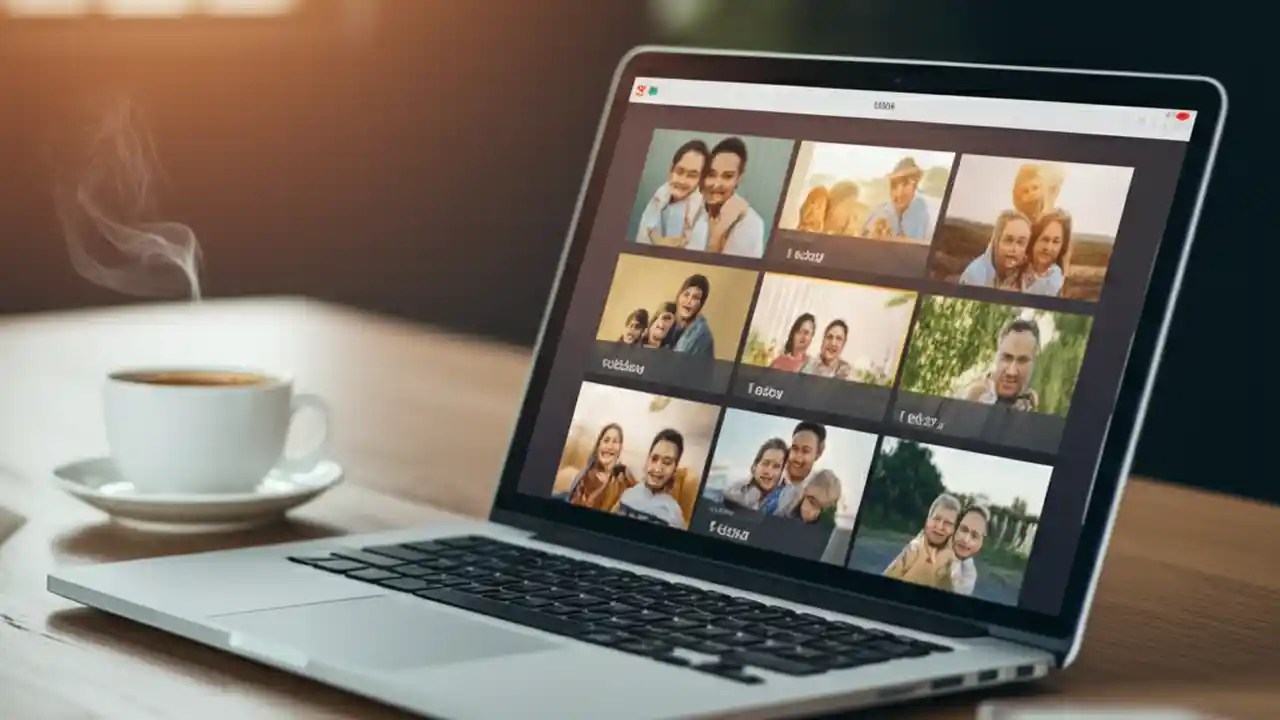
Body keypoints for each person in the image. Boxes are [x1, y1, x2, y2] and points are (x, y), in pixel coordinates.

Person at [699, 137, 766, 257]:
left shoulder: (750, 223)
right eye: (711, 174)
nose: (716, 184)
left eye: (727, 176)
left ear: (739, 178)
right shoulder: (692, 206)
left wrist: (720, 232)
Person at [636, 140, 710, 249]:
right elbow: (642, 237)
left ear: (701, 179)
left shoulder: (701, 214)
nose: (682, 181)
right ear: (671, 169)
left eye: (692, 175)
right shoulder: (660, 196)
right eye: (679, 171)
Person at [959, 318, 1041, 411]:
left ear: (1034, 363)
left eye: (1022, 361)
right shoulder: (970, 397)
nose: (1012, 372)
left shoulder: (1028, 403)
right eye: (1006, 358)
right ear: (996, 357)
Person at [884, 493, 962, 589]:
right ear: (928, 520)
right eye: (936, 519)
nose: (940, 527)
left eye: (948, 523)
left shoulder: (956, 563)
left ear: (955, 530)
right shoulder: (913, 549)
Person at [613, 429, 687, 528]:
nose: (657, 469)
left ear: (674, 469)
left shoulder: (673, 514)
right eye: (654, 459)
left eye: (667, 462)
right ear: (647, 459)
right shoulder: (628, 494)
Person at [560, 423, 635, 511]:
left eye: (615, 442)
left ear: (620, 448)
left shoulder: (625, 481)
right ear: (598, 446)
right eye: (606, 440)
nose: (609, 446)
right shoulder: (583, 478)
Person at [761, 421, 825, 517]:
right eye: (795, 448)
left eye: (805, 451)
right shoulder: (770, 474)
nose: (797, 458)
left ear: (818, 453)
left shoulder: (814, 495)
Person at [958, 209, 1033, 290]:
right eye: (1008, 240)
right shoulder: (974, 276)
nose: (1014, 249)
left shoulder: (1026, 275)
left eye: (1021, 242)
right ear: (996, 241)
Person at [861, 157, 931, 242]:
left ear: (914, 186)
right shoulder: (881, 211)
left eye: (905, 184)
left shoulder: (922, 211)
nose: (899, 192)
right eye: (894, 185)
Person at [722, 437, 789, 512]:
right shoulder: (734, 490)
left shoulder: (785, 502)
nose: (768, 472)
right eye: (765, 463)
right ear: (755, 466)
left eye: (776, 466)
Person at [1021, 208, 1073, 297]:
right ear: (1034, 240)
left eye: (1056, 242)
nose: (1048, 247)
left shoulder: (1056, 279)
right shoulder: (1015, 269)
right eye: (1045, 239)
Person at [942, 505, 988, 596]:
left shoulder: (970, 574)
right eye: (963, 530)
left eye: (974, 536)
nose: (966, 540)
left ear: (981, 544)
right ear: (955, 529)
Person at [665, 275, 715, 357]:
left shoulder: (702, 335)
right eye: (686, 294)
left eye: (695, 298)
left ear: (700, 304)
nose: (689, 301)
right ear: (679, 296)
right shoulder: (665, 316)